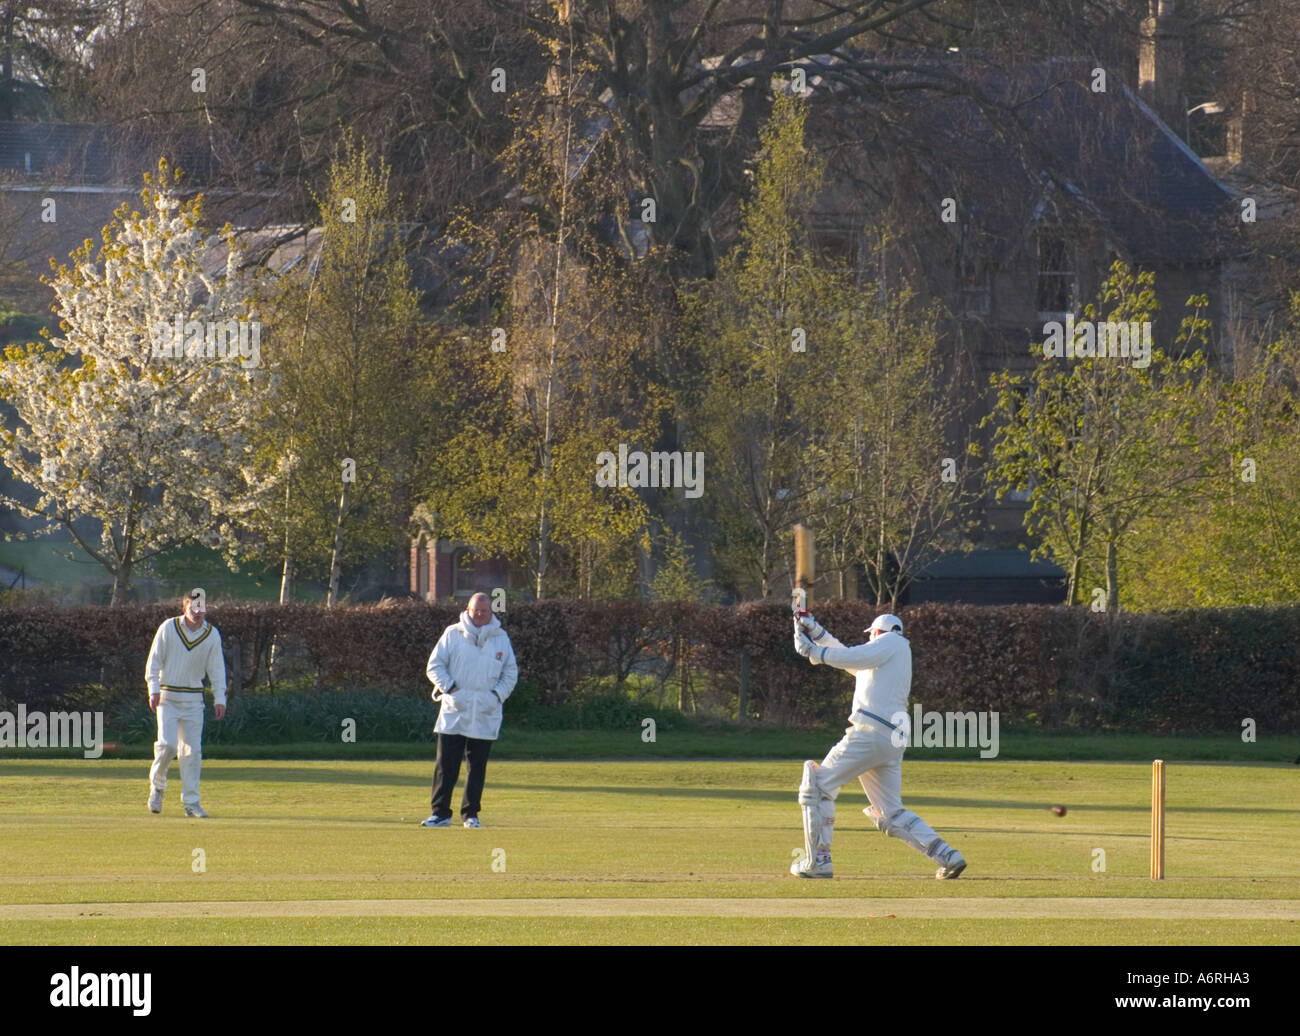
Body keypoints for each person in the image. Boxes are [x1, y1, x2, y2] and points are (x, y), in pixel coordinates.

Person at [791, 610, 966, 879]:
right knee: (891, 813)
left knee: (816, 786)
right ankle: (947, 855)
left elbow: (853, 655)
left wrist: (812, 652)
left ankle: (818, 861)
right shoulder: (885, 657)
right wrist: (816, 632)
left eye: (870, 635)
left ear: (876, 632)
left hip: (870, 733)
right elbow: (849, 655)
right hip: (889, 738)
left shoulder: (891, 643)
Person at [422, 592, 518, 829]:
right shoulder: (452, 634)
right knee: (446, 764)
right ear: (468, 609)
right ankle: (440, 813)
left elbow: (510, 672)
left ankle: (471, 814)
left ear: (491, 612)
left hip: (485, 711)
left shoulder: (500, 638)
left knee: (477, 766)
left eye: (484, 611)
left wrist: (496, 696)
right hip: (455, 708)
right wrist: (451, 688)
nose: (479, 615)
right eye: (476, 610)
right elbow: (434, 666)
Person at [146, 588, 226, 817]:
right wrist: (153, 690)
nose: (198, 612)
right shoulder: (168, 628)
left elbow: (217, 669)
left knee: (192, 752)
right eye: (194, 607)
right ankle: (158, 786)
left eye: (202, 608)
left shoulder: (211, 634)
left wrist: (220, 698)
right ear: (185, 608)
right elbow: (153, 662)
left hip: (193, 700)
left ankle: (191, 803)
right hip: (167, 697)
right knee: (168, 746)